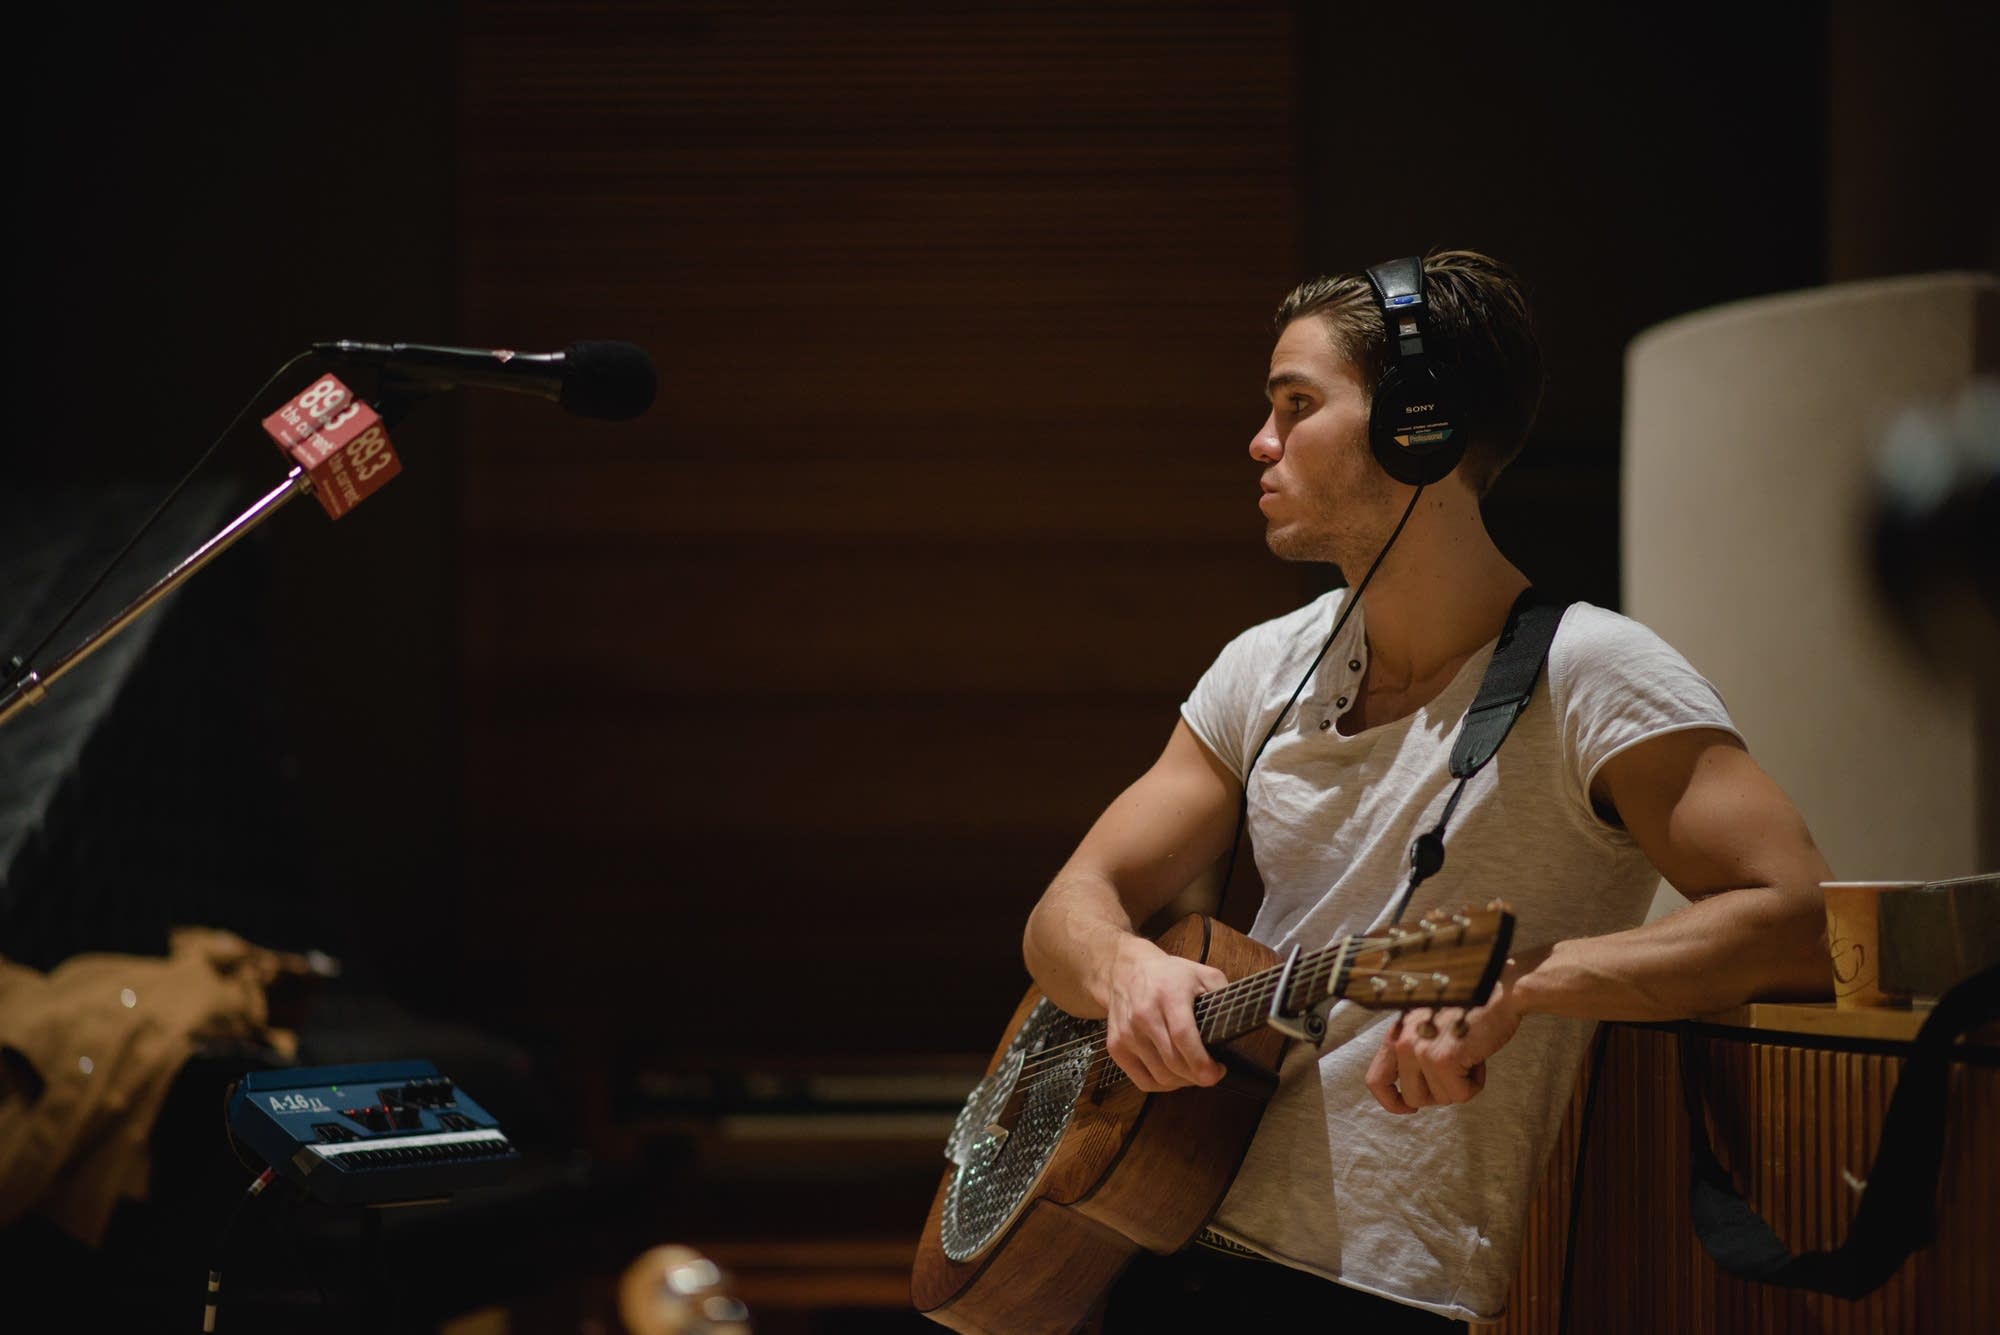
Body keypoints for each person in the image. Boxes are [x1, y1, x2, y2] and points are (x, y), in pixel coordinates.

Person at [1020, 250, 1832, 1330]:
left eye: (1294, 406)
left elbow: (1802, 918)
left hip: (1376, 1289)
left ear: (1418, 427)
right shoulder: (1261, 666)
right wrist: (1122, 967)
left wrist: (1526, 986)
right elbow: (1062, 911)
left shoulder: (1595, 674)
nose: (1259, 443)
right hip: (1157, 1229)